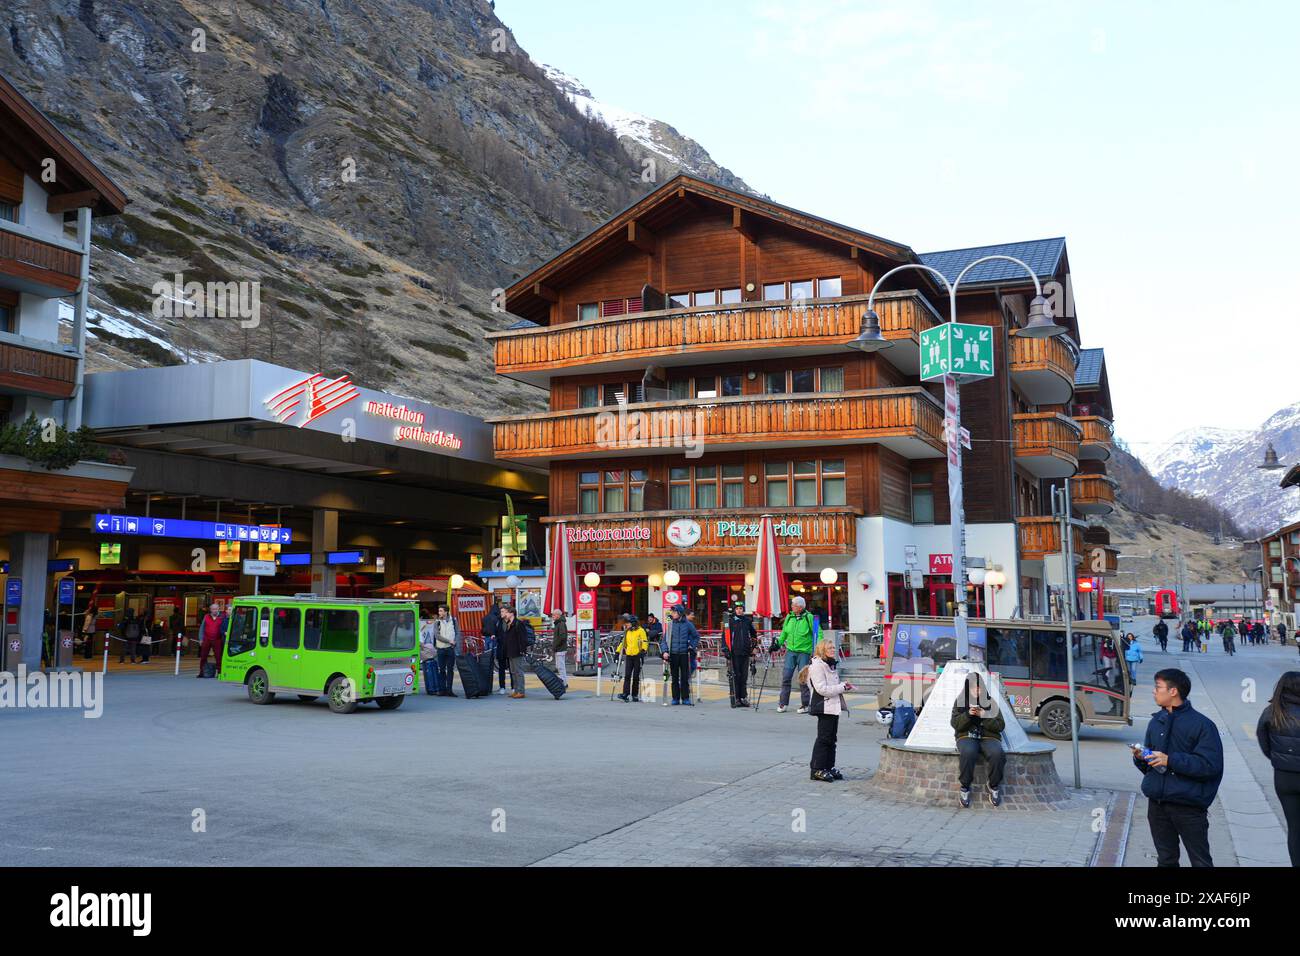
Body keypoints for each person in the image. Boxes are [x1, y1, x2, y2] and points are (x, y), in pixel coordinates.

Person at [1133, 668, 1224, 867]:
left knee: (1200, 861)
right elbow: (1150, 767)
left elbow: (1210, 766)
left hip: (1188, 806)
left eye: (1158, 687)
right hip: (1157, 804)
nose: (1153, 691)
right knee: (1166, 860)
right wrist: (1142, 757)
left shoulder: (1202, 725)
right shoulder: (1156, 721)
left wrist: (1170, 760)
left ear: (1173, 691)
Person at [1256, 671, 1300, 867]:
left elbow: (1265, 743)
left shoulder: (1272, 712)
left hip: (1284, 777)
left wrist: (1280, 761)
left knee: (1295, 828)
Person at [950, 671, 1007, 808]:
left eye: (979, 687)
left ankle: (993, 785)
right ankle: (965, 787)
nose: (977, 690)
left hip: (988, 736)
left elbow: (1000, 725)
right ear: (968, 688)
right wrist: (968, 715)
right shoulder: (960, 701)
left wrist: (984, 715)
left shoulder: (990, 701)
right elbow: (955, 724)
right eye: (973, 687)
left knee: (997, 753)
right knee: (969, 752)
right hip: (967, 735)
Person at [803, 638, 854, 782]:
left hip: (832, 705)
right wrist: (841, 687)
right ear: (822, 650)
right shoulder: (818, 666)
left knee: (832, 739)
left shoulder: (829, 664)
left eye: (833, 647)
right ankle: (817, 769)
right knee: (824, 738)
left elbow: (832, 685)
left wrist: (843, 685)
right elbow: (821, 689)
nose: (833, 650)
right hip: (823, 705)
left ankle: (828, 767)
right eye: (830, 648)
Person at [775, 596, 816, 714]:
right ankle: (783, 703)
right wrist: (778, 644)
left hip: (804, 652)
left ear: (800, 607)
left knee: (802, 679)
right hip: (791, 651)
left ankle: (805, 704)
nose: (791, 607)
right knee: (786, 677)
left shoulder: (809, 617)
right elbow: (784, 633)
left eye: (793, 605)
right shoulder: (789, 617)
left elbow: (817, 634)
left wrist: (817, 650)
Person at [661, 606, 699, 705]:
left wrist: (692, 646)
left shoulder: (688, 624)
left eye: (674, 612)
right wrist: (665, 651)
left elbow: (696, 637)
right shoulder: (670, 625)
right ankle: (675, 698)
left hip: (684, 654)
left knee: (684, 677)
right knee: (674, 677)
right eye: (672, 612)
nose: (672, 613)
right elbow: (664, 640)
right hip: (673, 654)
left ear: (680, 613)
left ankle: (685, 698)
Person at [725, 607, 756, 707]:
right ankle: (736, 697)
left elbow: (753, 633)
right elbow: (725, 636)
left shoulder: (747, 621)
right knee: (736, 675)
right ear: (735, 610)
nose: (739, 610)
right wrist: (726, 650)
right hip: (734, 653)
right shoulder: (730, 621)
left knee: (744, 676)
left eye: (741, 609)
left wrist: (754, 647)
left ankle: (743, 697)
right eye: (737, 609)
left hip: (745, 652)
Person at [498, 605, 531, 699]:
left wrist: (522, 650)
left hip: (517, 651)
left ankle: (521, 691)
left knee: (518, 671)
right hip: (510, 651)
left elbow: (523, 638)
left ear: (512, 613)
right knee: (513, 672)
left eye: (507, 612)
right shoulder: (509, 623)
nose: (505, 614)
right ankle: (516, 690)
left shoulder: (518, 623)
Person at [616, 613, 648, 702]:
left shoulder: (641, 631)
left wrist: (643, 650)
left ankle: (635, 695)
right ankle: (625, 693)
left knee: (636, 676)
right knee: (627, 675)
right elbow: (623, 643)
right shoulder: (627, 631)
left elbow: (645, 641)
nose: (627, 624)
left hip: (638, 656)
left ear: (633, 623)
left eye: (628, 623)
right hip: (629, 655)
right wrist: (617, 652)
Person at [482, 599, 511, 695]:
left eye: (502, 611)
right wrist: (494, 635)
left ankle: (512, 687)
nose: (500, 613)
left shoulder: (512, 622)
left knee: (511, 669)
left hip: (508, 648)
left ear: (508, 612)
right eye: (500, 611)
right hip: (501, 647)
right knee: (502, 668)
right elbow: (496, 631)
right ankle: (502, 687)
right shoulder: (498, 620)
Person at [434, 604, 460, 696]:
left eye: (441, 611)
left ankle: (449, 690)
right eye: (439, 611)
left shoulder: (453, 620)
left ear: (446, 612)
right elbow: (437, 636)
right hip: (441, 649)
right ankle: (442, 690)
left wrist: (455, 643)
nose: (439, 612)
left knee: (450, 670)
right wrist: (449, 641)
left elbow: (457, 632)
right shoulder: (437, 622)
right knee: (441, 670)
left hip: (450, 649)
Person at [196, 602, 227, 678]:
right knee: (203, 656)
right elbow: (202, 628)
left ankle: (220, 673)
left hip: (218, 639)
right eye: (213, 609)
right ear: (210, 610)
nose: (215, 610)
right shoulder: (206, 616)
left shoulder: (222, 617)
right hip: (206, 639)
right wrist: (200, 639)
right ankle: (202, 672)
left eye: (216, 609)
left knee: (219, 657)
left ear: (219, 609)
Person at [418, 609, 441, 696]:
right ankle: (434, 688)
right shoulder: (433, 623)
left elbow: (420, 638)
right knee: (432, 666)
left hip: (423, 649)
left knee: (427, 666)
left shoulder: (418, 625)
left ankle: (431, 688)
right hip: (431, 649)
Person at [549, 608, 569, 689]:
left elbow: (562, 637)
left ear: (558, 615)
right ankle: (563, 681)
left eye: (553, 615)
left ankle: (564, 683)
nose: (552, 616)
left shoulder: (560, 624)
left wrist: (555, 646)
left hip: (560, 649)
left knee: (560, 666)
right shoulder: (560, 623)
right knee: (559, 666)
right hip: (560, 648)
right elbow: (562, 637)